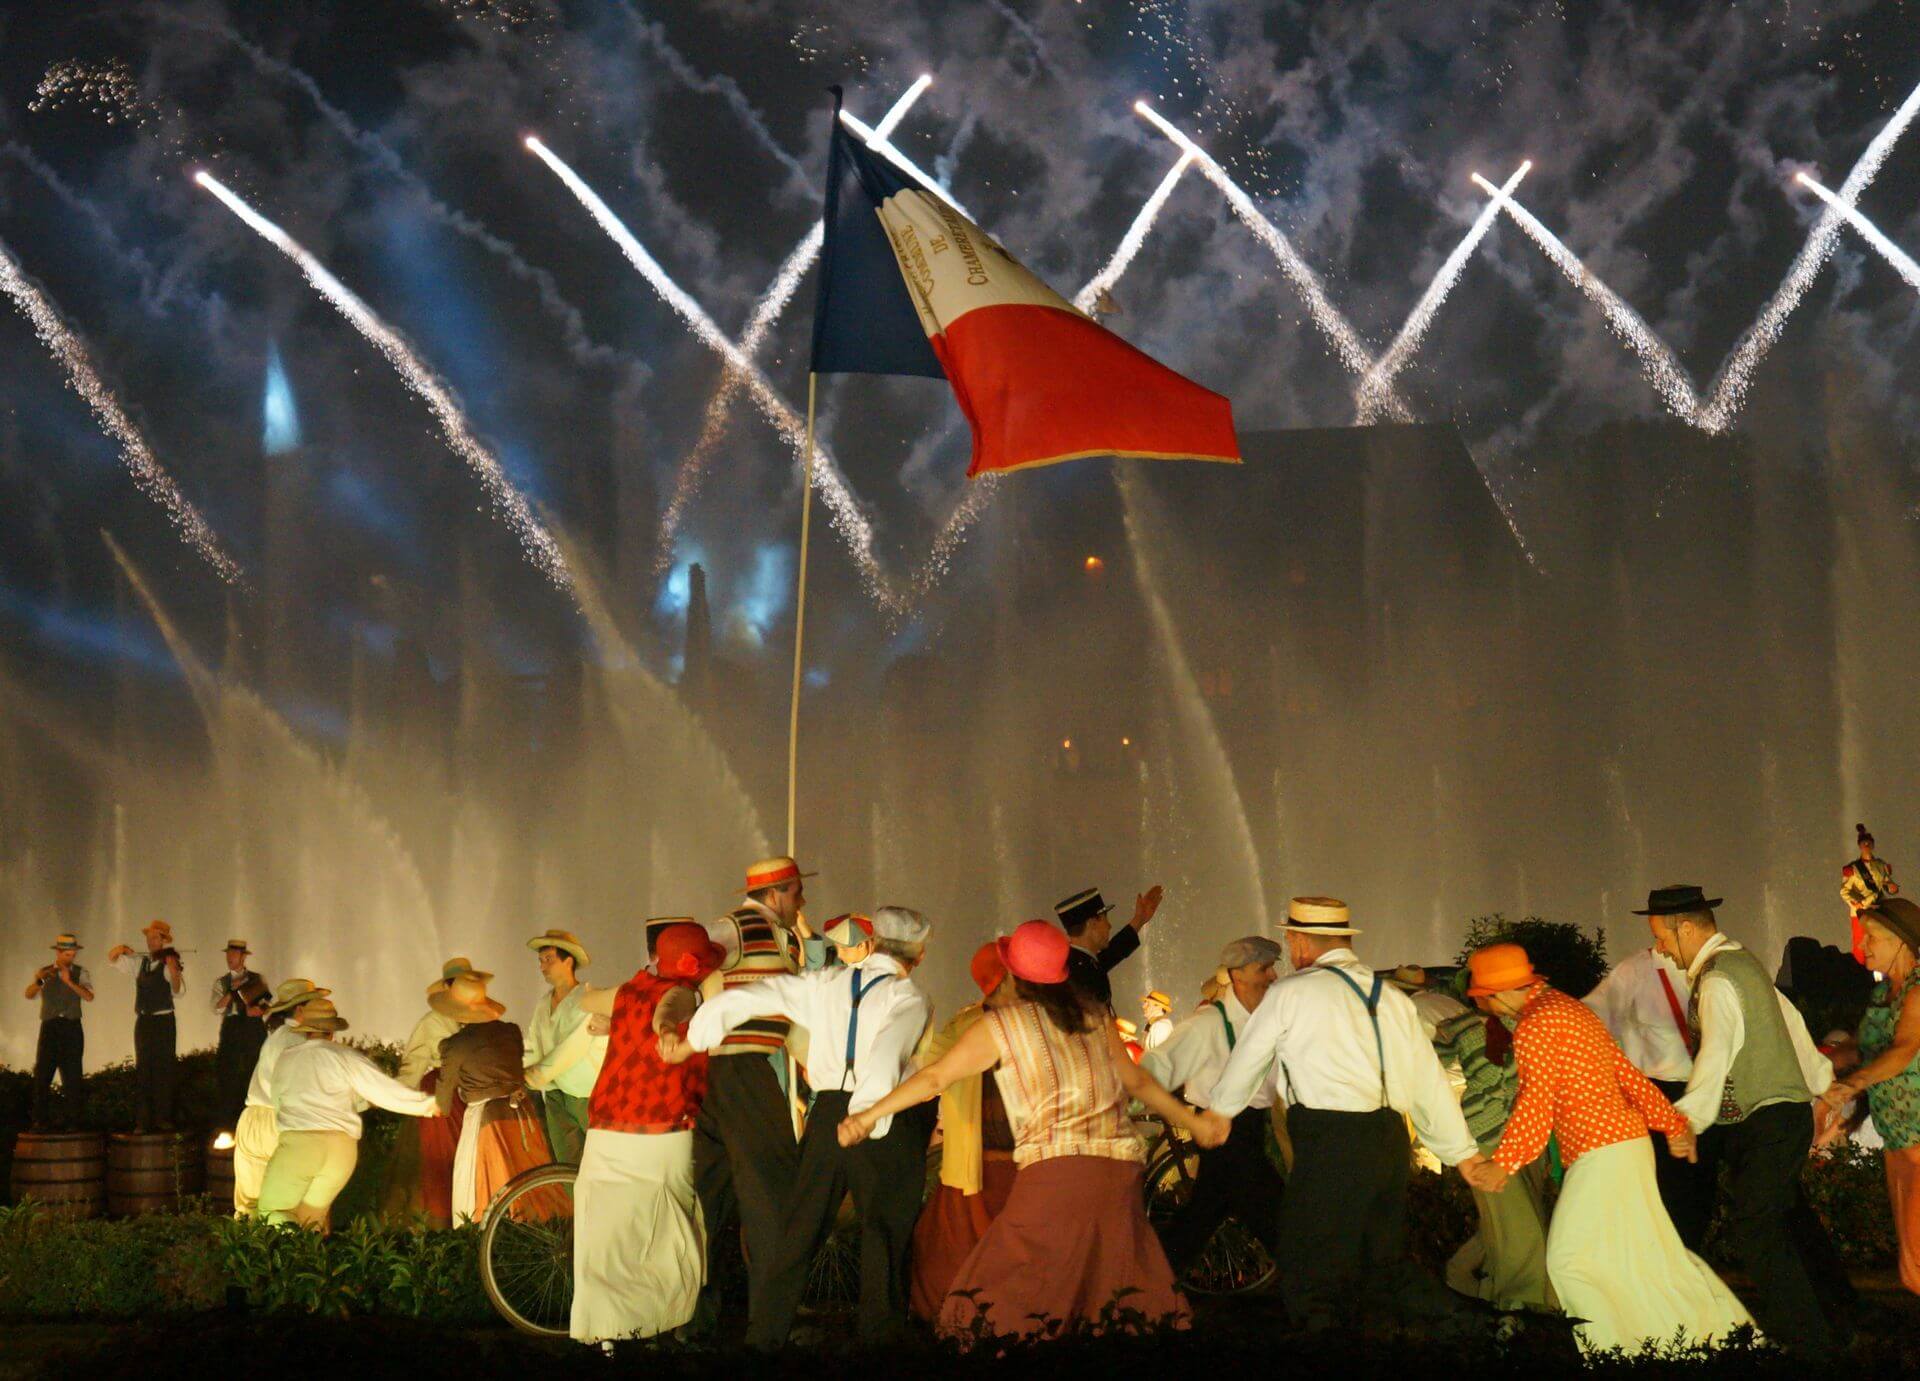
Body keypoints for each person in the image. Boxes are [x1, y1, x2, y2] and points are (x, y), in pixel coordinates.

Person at [842, 919, 1209, 1342]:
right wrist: (1196, 1123)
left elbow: (933, 1079)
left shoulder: (1002, 1026)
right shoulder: (1094, 1017)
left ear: (1013, 973)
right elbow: (1140, 1082)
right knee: (1116, 1285)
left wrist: (867, 1116)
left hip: (1055, 1171)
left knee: (989, 1291)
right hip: (1117, 1174)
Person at [1194, 897, 1500, 1335]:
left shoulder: (1290, 993)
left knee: (1306, 1266)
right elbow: (1427, 1079)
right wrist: (1462, 1153)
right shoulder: (1391, 997)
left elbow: (1249, 1059)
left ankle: (1329, 1353)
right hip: (1388, 1139)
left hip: (1329, 1139)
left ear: (1299, 941)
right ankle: (1480, 1330)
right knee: (1383, 1265)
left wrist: (1219, 1112)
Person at [1467, 943, 1750, 1354]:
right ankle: (1710, 1341)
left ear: (1496, 994)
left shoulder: (1535, 1024)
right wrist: (1672, 1123)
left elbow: (1535, 1099)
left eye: (1483, 1000)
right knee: (1650, 1259)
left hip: (1601, 1152)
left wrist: (1504, 1163)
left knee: (1570, 1259)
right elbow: (1626, 1075)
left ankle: (1613, 1352)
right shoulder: (1568, 1008)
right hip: (1627, 1147)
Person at [683, 906, 936, 1348]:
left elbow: (762, 993)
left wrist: (702, 1029)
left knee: (801, 1229)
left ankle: (764, 1339)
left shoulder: (827, 983)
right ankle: (880, 1344)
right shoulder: (909, 997)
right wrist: (868, 1118)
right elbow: (887, 1054)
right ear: (917, 953)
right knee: (884, 1234)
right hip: (878, 1120)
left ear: (874, 943)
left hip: (826, 1116)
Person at [1644, 884, 1853, 1352]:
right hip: (1771, 1120)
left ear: (1688, 928)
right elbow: (1792, 1023)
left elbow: (1716, 1057)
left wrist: (1686, 1121)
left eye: (1662, 936)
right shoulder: (1743, 964)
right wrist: (1822, 1079)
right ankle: (1830, 1320)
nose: (1659, 947)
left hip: (1769, 1121)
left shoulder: (1719, 980)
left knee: (1757, 1229)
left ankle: (1810, 1345)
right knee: (1778, 1220)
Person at [531, 920, 725, 1345]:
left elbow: (588, 1000)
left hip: (607, 1125)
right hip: (658, 1127)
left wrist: (616, 1019)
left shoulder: (626, 992)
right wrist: (671, 1034)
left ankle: (605, 1332)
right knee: (667, 1229)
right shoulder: (682, 995)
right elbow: (667, 1018)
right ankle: (660, 1321)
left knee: (608, 1235)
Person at [693, 855, 817, 1320]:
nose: (802, 900)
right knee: (772, 1193)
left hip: (732, 1073)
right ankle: (769, 1323)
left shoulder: (779, 936)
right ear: (775, 893)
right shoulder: (736, 929)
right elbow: (688, 966)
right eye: (797, 891)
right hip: (740, 1071)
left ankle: (705, 1314)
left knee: (715, 1196)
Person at [1142, 935, 1285, 1281]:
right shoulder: (1207, 1023)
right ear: (1237, 976)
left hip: (1246, 1132)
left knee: (1199, 1220)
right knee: (1282, 1223)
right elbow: (1157, 1066)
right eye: (1263, 968)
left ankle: (1147, 1283)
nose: (1273, 976)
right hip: (1227, 1135)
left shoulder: (1266, 1019)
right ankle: (1317, 1298)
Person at [909, 941, 1021, 1322]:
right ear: (1002, 980)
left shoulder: (1029, 1021)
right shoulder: (967, 1025)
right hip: (983, 1162)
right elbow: (927, 1065)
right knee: (959, 1249)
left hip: (1017, 1159)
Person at [260, 997, 439, 1231]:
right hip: (342, 1151)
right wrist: (427, 1105)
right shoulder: (345, 1056)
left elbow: (277, 1100)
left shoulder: (288, 1057)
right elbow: (381, 1091)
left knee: (271, 1212)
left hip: (301, 1143)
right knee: (310, 1219)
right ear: (332, 1032)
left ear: (305, 1029)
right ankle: (307, 1260)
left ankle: (277, 1263)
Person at [1431, 976, 1554, 1314]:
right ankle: (1518, 1305)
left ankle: (1476, 1285)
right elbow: (1429, 1067)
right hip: (1488, 1135)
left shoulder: (1529, 1023)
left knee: (1514, 1221)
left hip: (1526, 1134)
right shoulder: (1459, 1026)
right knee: (1518, 1225)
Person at [1818, 898, 1920, 1294]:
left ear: (1902, 941)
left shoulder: (1917, 991)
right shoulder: (1883, 995)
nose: (1864, 946)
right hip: (1897, 1139)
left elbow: (1903, 1050)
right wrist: (1814, 1064)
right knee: (1910, 1266)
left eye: (1873, 936)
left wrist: (1850, 1084)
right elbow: (1861, 1049)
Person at [1583, 939, 1713, 1246]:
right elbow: (1593, 1012)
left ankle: (1691, 1261)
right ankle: (1675, 1261)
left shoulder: (1709, 967)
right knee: (1671, 1191)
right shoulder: (1636, 970)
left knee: (1701, 1187)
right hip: (1659, 1093)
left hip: (1705, 1089)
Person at [433, 972, 558, 1224]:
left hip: (485, 1118)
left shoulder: (454, 1045)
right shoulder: (510, 1032)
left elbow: (442, 1100)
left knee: (479, 1184)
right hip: (521, 1112)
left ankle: (487, 1235)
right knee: (532, 1176)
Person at [383, 957, 483, 1226]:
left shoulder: (482, 1017)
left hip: (475, 1096)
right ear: (448, 987)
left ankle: (476, 1221)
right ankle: (441, 1224)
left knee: (475, 1158)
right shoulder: (432, 1021)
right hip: (443, 1095)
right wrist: (390, 1097)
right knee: (440, 1160)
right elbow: (413, 1065)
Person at [233, 979, 331, 1216]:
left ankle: (243, 1248)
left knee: (249, 1204)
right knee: (290, 1204)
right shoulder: (300, 1040)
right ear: (300, 1010)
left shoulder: (277, 1035)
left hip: (252, 1118)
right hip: (280, 1122)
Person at [524, 928, 606, 1166]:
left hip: (587, 1094)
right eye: (541, 961)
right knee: (567, 1163)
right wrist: (525, 1074)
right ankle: (576, 1205)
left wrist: (534, 1075)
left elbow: (574, 1046)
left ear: (568, 960)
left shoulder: (589, 998)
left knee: (599, 1162)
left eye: (548, 959)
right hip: (555, 1093)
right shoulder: (543, 1004)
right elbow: (533, 1044)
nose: (543, 967)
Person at [106, 920, 185, 1132]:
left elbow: (177, 991)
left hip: (164, 1021)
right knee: (144, 1070)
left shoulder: (170, 961)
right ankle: (143, 1121)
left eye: (156, 937)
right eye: (149, 938)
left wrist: (174, 970)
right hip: (144, 1021)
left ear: (163, 941)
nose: (151, 941)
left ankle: (163, 1119)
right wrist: (123, 948)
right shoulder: (139, 962)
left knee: (164, 1070)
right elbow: (111, 958)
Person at [1055, 883, 1163, 1008]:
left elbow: (1110, 954)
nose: (1109, 925)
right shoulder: (1080, 971)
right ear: (1092, 923)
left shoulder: (1079, 963)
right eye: (1104, 918)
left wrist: (1139, 920)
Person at [25, 933, 92, 1129]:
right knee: (43, 1073)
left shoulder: (80, 972)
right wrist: (39, 981)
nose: (70, 958)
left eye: (72, 954)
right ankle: (40, 1120)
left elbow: (89, 996)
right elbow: (29, 994)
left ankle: (73, 1121)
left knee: (72, 1075)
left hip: (71, 1026)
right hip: (50, 1026)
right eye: (67, 954)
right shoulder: (46, 972)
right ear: (59, 953)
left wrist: (70, 981)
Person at [211, 939, 269, 1129]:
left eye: (234, 954)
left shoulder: (256, 978)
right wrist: (232, 991)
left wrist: (248, 1007)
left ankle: (253, 1124)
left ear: (243, 957)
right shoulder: (222, 981)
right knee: (228, 1076)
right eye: (228, 954)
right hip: (231, 1029)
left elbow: (262, 1008)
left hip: (252, 1031)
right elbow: (216, 1008)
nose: (230, 957)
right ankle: (228, 1126)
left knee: (253, 1073)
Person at [1843, 824, 1899, 965]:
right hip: (1860, 910)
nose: (1867, 845)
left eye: (1869, 843)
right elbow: (1844, 891)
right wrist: (1858, 903)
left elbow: (1887, 884)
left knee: (1881, 940)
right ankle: (1860, 971)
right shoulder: (1853, 869)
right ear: (1860, 846)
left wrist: (1891, 887)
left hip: (1878, 908)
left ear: (1873, 845)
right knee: (1860, 943)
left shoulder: (1881, 865)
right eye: (1864, 843)